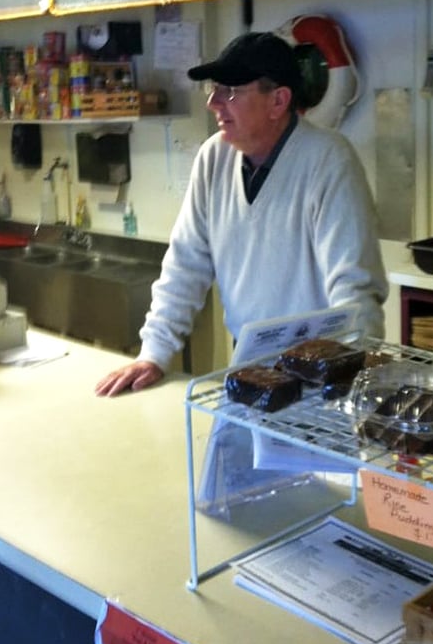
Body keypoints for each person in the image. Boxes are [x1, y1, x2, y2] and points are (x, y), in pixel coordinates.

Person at [95, 31, 388, 396]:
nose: (214, 103)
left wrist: (347, 380)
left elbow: (355, 291)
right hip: (250, 370)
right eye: (213, 89)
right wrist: (154, 353)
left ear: (278, 100)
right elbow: (185, 265)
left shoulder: (329, 160)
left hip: (321, 377)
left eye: (230, 91)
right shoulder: (213, 158)